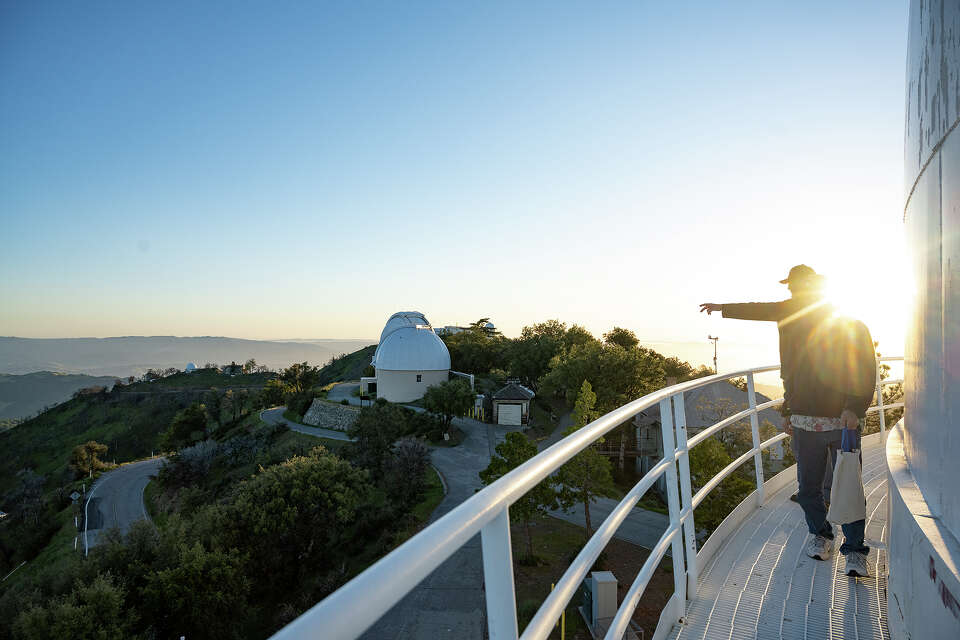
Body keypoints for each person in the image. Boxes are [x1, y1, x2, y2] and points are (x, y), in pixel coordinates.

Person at [699, 264, 876, 577]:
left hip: (842, 422)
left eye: (801, 287)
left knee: (847, 485)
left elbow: (863, 368)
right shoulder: (788, 318)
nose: (796, 293)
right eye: (793, 288)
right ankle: (821, 535)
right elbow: (764, 322)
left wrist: (855, 407)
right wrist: (787, 412)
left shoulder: (849, 323)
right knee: (808, 489)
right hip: (804, 420)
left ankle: (855, 550)